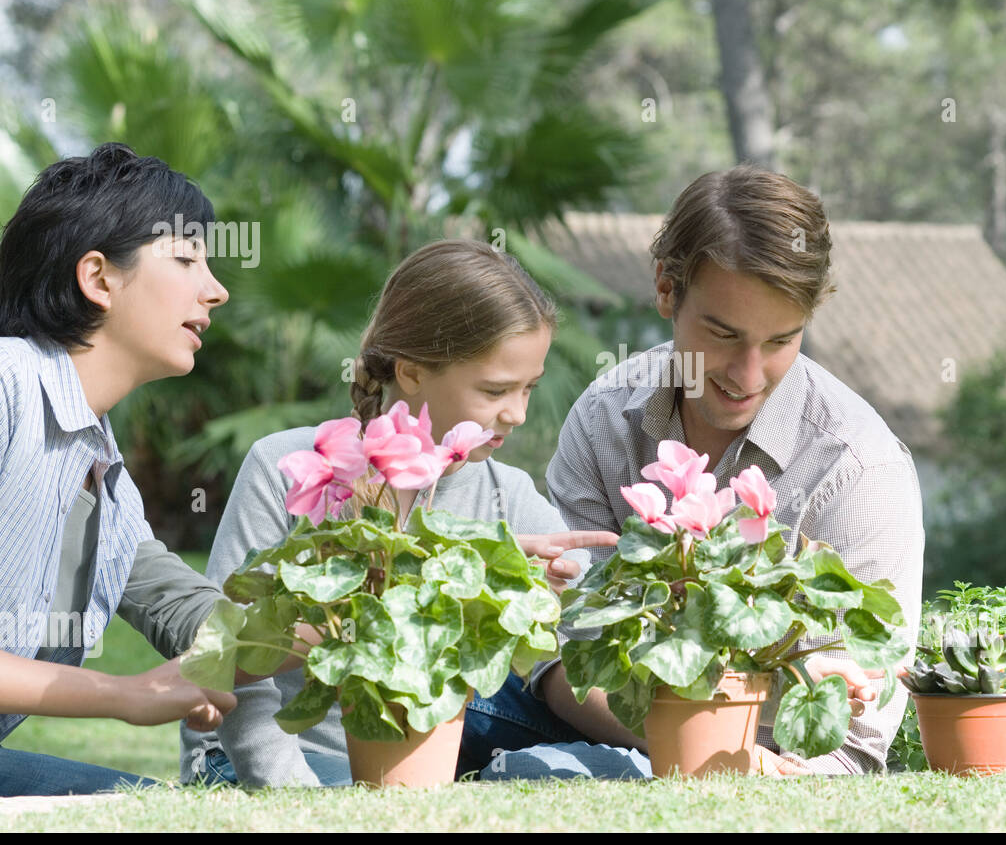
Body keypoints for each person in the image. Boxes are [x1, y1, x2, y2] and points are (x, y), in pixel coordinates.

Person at [513, 164, 925, 777]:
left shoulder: (857, 465)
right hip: (594, 735)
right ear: (665, 288)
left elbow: (851, 749)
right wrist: (695, 746)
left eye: (782, 340)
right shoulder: (605, 418)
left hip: (777, 774)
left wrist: (715, 756)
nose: (747, 375)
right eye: (723, 333)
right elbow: (560, 658)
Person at [179, 240, 630, 787]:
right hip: (272, 758)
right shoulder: (291, 465)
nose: (517, 413)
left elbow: (568, 656)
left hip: (427, 759)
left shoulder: (504, 491)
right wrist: (289, 795)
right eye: (495, 390)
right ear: (412, 373)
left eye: (529, 387)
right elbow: (230, 661)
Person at [0, 143, 238, 796]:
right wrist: (120, 693)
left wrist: (390, 578)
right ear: (99, 277)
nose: (215, 288)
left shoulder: (99, 468)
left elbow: (192, 613)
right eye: (187, 257)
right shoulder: (7, 385)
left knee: (152, 810)